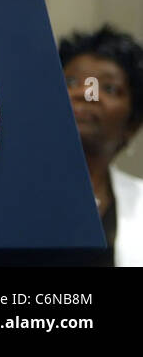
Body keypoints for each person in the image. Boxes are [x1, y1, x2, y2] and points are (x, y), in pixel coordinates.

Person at [59, 24, 143, 266]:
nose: (86, 92)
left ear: (132, 125)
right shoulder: (10, 192)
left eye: (108, 88)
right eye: (71, 81)